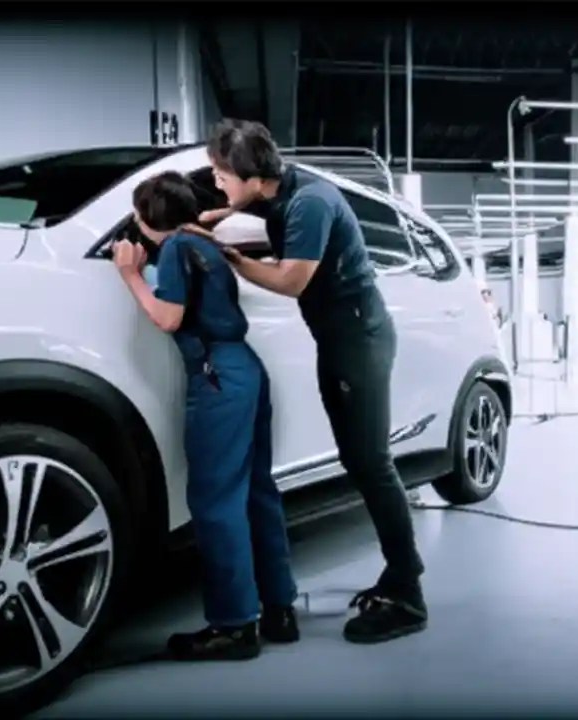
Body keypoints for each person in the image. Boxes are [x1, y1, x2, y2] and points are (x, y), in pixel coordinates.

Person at [198, 119, 428, 645]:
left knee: (371, 463)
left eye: (221, 175)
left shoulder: (310, 203)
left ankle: (408, 594)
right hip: (339, 337)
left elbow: (291, 279)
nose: (215, 182)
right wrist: (218, 214)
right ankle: (400, 573)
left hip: (356, 340)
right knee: (358, 460)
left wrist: (232, 259)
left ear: (252, 175)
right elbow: (257, 208)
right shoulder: (280, 191)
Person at [112, 170, 299, 661]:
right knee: (257, 491)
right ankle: (279, 608)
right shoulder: (204, 244)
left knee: (217, 500)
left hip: (216, 376)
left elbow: (168, 317)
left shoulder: (176, 248)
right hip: (245, 368)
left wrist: (130, 274)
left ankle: (234, 626)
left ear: (145, 217)